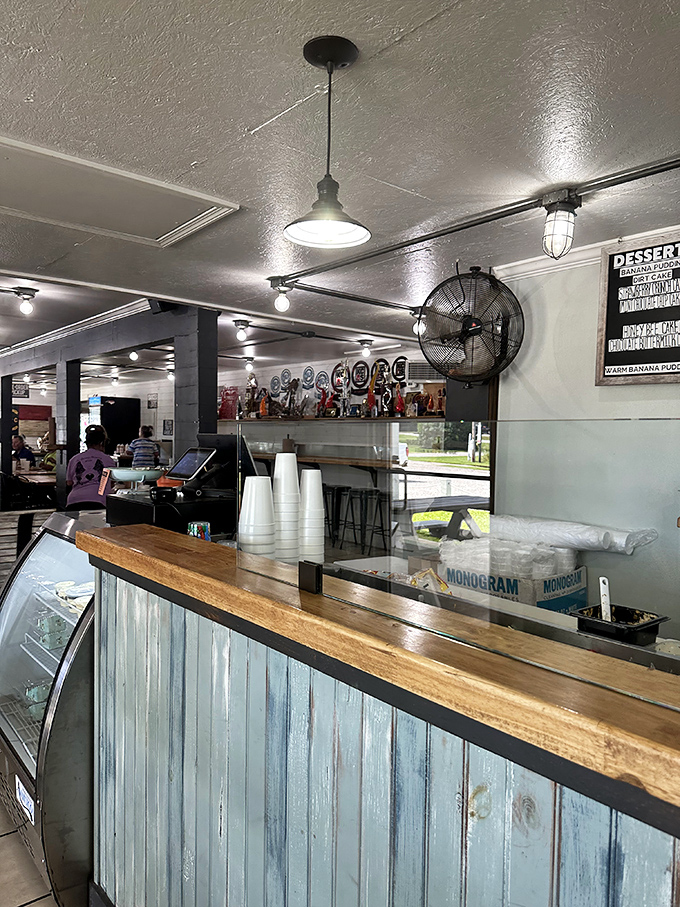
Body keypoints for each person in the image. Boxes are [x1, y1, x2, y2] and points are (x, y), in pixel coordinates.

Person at [65, 424, 115, 510]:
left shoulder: (74, 459)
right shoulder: (108, 460)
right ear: (102, 443)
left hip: (74, 501)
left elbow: (69, 482)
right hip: (99, 501)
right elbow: (111, 483)